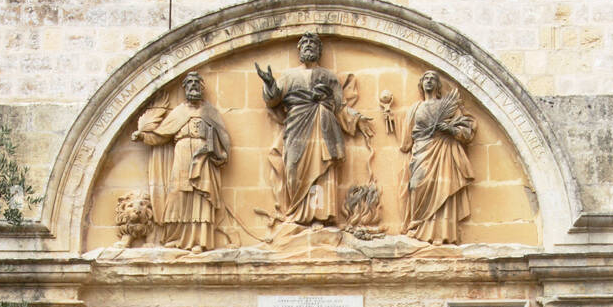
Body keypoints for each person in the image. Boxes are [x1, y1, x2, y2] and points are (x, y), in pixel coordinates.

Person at [255, 32, 373, 226]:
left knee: (323, 171)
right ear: (299, 49)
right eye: (305, 43)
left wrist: (357, 119)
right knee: (293, 166)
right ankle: (296, 214)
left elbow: (339, 105)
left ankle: (319, 216)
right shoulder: (289, 76)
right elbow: (273, 99)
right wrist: (269, 83)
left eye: (313, 43)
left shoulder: (328, 76)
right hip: (296, 127)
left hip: (324, 127)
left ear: (319, 50)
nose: (309, 46)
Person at [132, 70, 231, 250]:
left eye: (196, 82)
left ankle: (200, 242)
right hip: (182, 154)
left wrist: (218, 152)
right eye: (189, 83)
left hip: (203, 157)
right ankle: (174, 238)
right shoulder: (178, 112)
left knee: (201, 197)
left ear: (202, 87)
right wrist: (143, 136)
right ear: (185, 88)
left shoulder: (210, 111)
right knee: (177, 193)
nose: (193, 85)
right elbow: (161, 134)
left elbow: (223, 136)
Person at [398, 70, 477, 244]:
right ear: (421, 83)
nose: (429, 81)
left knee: (442, 187)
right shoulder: (415, 108)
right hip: (421, 151)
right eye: (425, 78)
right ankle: (417, 226)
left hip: (442, 150)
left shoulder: (446, 106)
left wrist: (450, 130)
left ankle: (440, 235)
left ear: (438, 85)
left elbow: (467, 128)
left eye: (432, 79)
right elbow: (405, 143)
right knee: (416, 184)